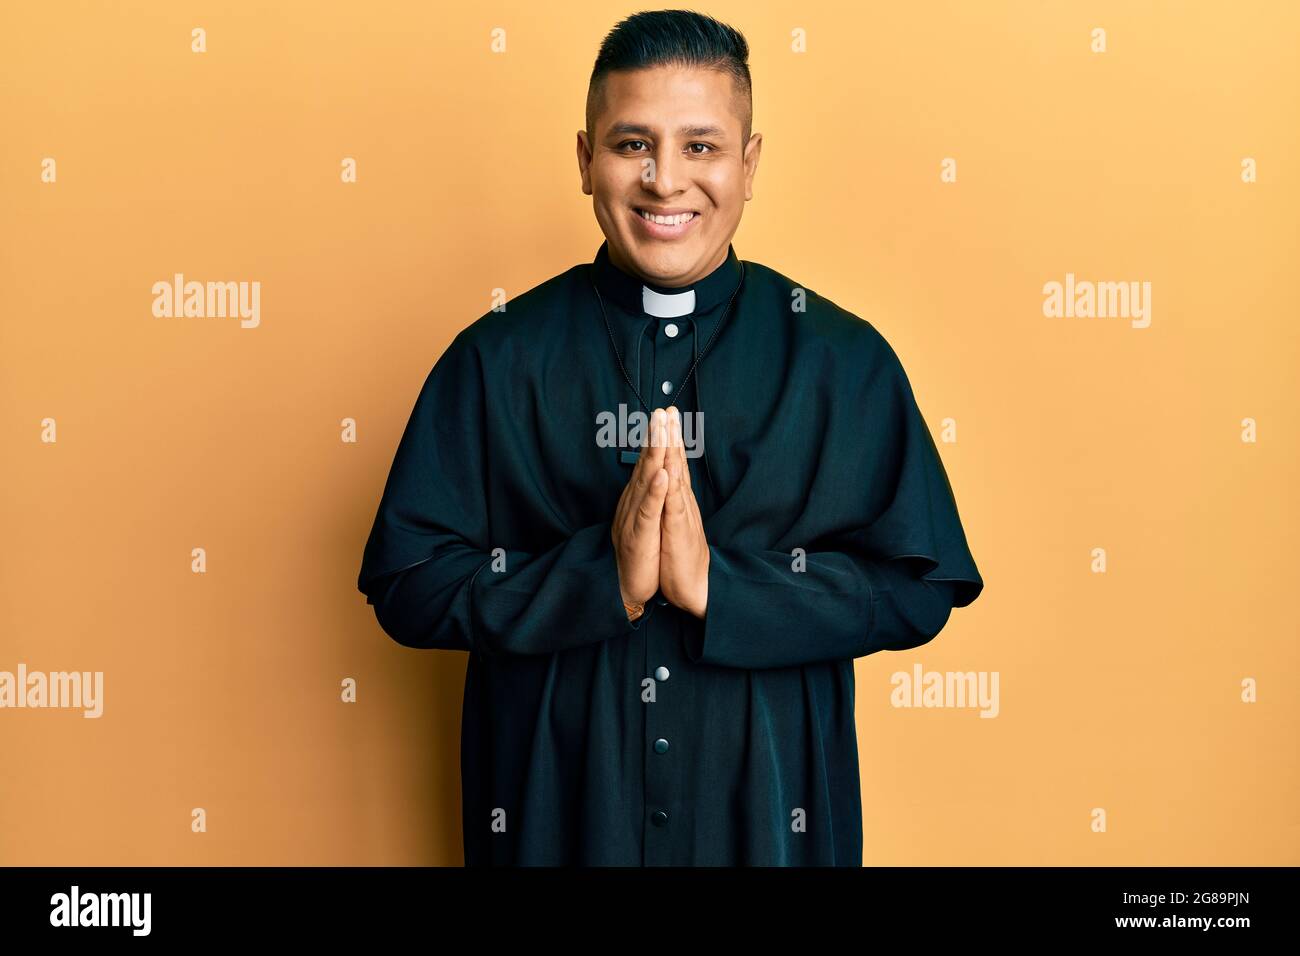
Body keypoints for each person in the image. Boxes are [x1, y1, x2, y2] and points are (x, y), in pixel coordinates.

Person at [357, 9, 984, 866]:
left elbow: (921, 587)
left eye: (700, 146)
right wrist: (597, 577)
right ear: (585, 161)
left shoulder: (843, 361)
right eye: (630, 145)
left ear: (749, 163)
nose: (664, 180)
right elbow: (409, 585)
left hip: (771, 824)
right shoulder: (497, 357)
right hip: (555, 822)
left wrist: (720, 587)